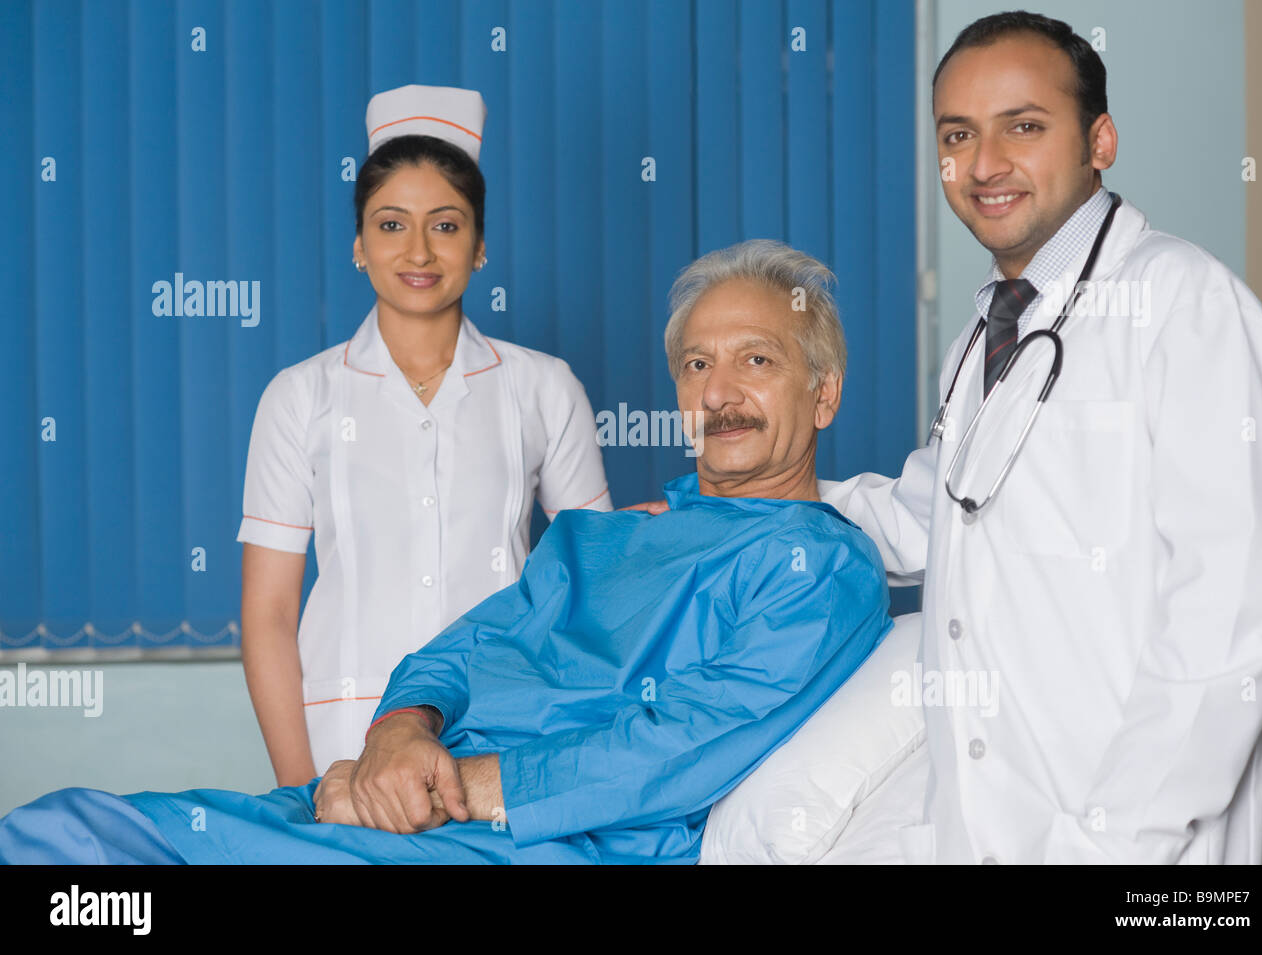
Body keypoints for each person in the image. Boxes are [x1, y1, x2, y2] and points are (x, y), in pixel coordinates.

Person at [0, 240, 894, 865]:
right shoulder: (606, 535)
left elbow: (679, 742)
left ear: (824, 395)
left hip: (535, 837)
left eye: (757, 361)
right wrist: (398, 734)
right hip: (398, 804)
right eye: (698, 364)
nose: (721, 390)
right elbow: (464, 648)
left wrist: (450, 787)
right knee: (66, 834)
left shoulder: (815, 567)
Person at [818, 12, 1262, 863]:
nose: (985, 163)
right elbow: (935, 509)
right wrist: (741, 515)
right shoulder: (990, 332)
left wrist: (1111, 840)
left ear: (1100, 140)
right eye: (958, 134)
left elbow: (1237, 615)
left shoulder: (1188, 305)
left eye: (1025, 127)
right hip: (995, 831)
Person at [239, 85, 611, 785]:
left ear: (479, 247)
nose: (418, 250)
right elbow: (269, 609)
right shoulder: (300, 397)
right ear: (357, 244)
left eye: (444, 224)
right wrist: (301, 788)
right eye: (390, 224)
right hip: (340, 745)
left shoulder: (542, 387)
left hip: (503, 731)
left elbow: (594, 581)